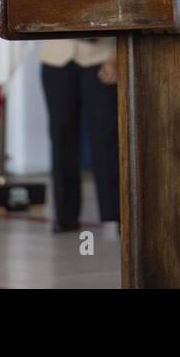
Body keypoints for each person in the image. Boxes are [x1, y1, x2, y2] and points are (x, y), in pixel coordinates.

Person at [37, 37, 119, 233]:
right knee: (61, 137)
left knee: (106, 138)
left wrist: (117, 59)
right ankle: (65, 215)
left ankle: (115, 214)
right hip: (56, 59)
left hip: (102, 58)